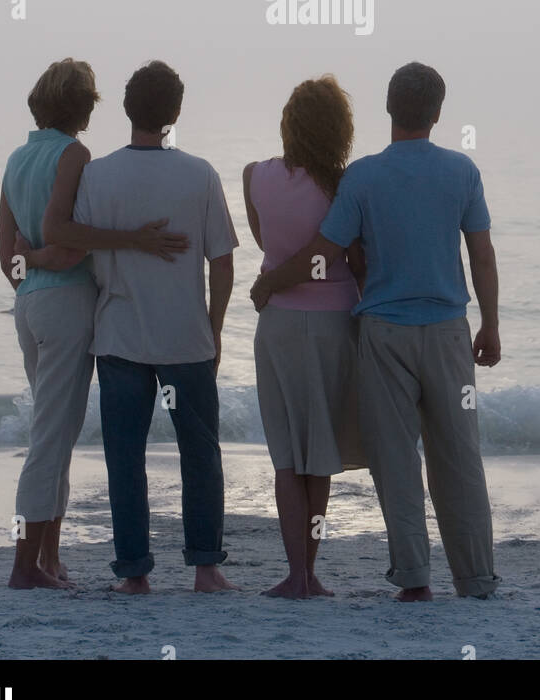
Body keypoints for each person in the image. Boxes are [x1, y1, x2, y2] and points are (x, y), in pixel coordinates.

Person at [252, 61, 501, 603]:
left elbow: (326, 250)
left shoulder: (363, 176)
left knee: (395, 461)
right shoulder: (462, 172)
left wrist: (271, 281)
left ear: (389, 109)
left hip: (384, 333)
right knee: (459, 455)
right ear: (437, 114)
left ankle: (414, 581)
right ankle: (476, 578)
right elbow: (480, 253)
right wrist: (492, 324)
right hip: (448, 332)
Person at [42, 60, 238, 595]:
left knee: (124, 458)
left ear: (127, 109)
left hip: (120, 334)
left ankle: (134, 575)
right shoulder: (199, 173)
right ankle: (205, 568)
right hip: (185, 337)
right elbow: (222, 263)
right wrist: (215, 327)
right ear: (175, 113)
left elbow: (76, 241)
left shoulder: (98, 173)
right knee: (200, 453)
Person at [0, 57, 183, 591]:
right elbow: (67, 233)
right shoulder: (74, 154)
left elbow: (9, 257)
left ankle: (49, 558)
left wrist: (34, 268)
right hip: (65, 305)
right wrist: (131, 240)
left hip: (28, 306)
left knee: (56, 430)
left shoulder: (15, 159)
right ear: (81, 107)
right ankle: (25, 566)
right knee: (50, 438)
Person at [243, 76, 366, 599]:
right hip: (335, 324)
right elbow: (333, 259)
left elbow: (267, 244)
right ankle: (308, 574)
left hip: (278, 326)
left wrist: (274, 279)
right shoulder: (345, 187)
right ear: (340, 130)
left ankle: (295, 574)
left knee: (288, 457)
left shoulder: (254, 176)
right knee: (320, 456)